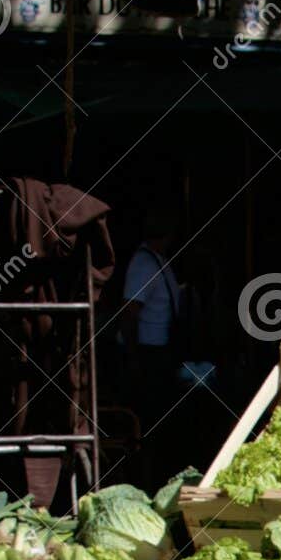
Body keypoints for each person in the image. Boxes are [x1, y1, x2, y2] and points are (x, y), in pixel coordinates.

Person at [121, 206, 183, 482]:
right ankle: (147, 478)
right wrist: (134, 357)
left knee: (161, 417)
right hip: (149, 353)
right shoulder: (144, 263)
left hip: (161, 351)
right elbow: (131, 311)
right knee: (150, 419)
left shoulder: (159, 260)